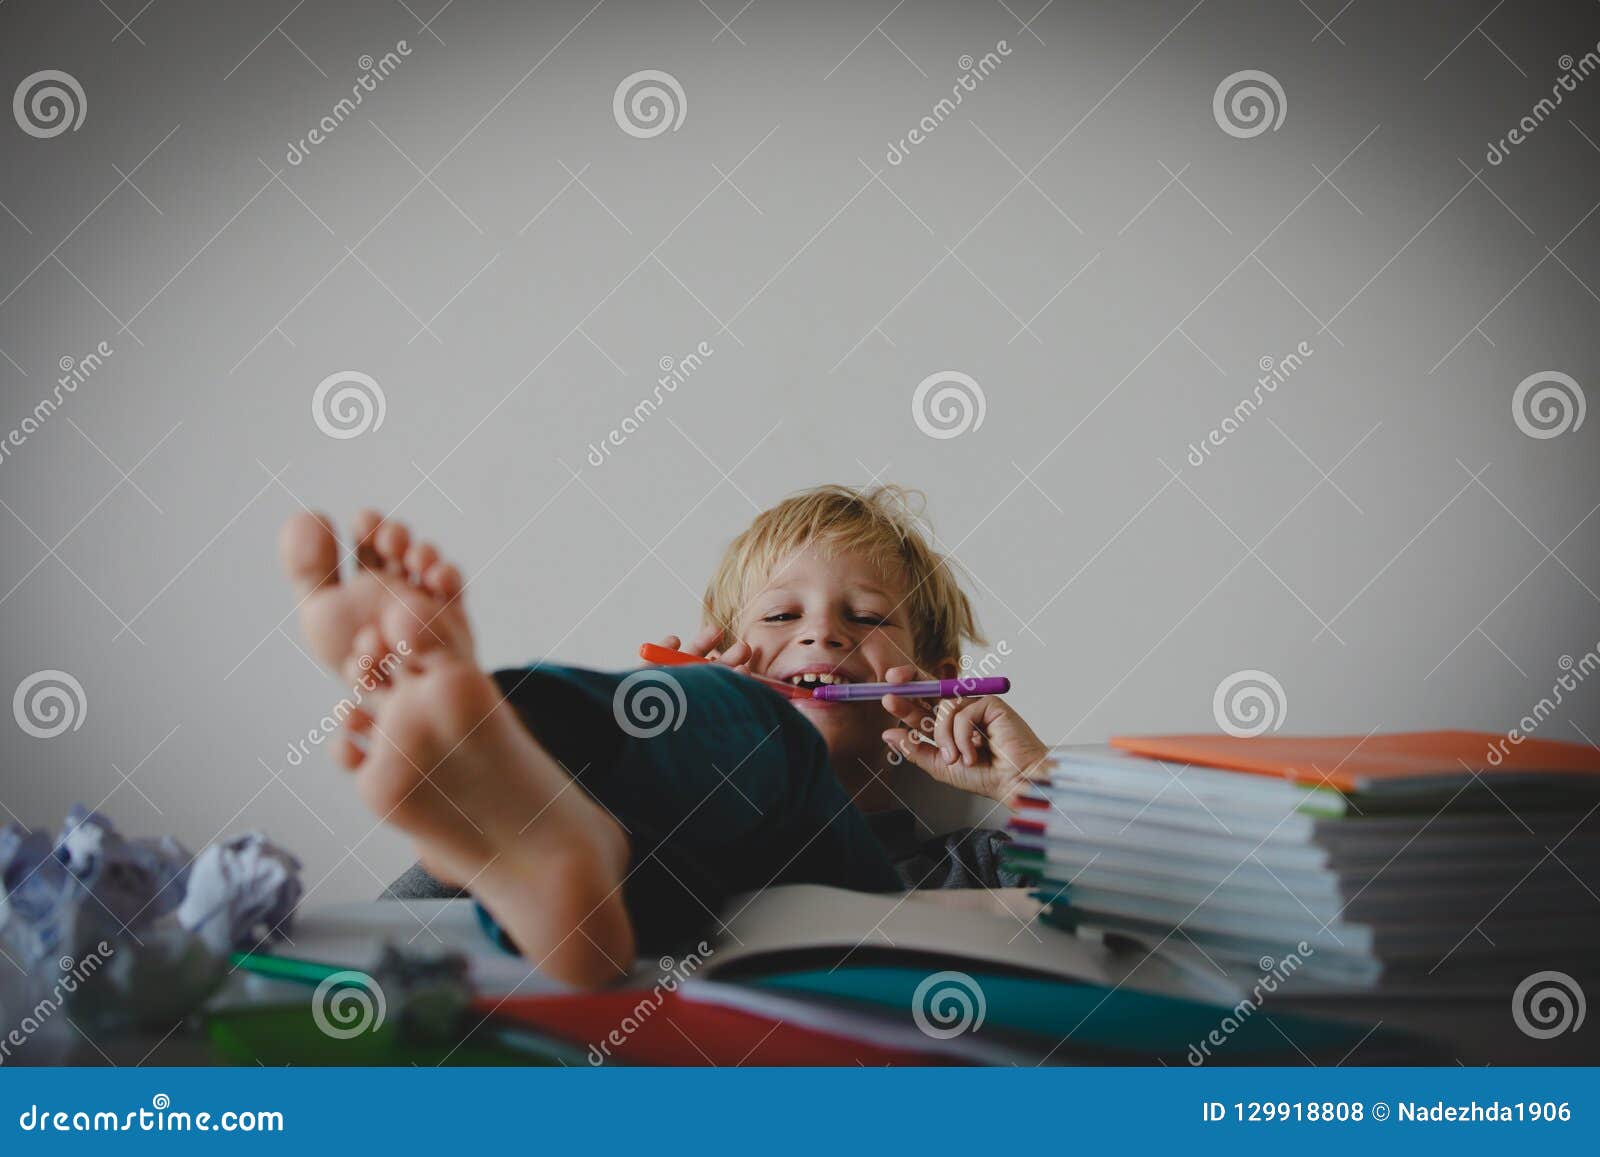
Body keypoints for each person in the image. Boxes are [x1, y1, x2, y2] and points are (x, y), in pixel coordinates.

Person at [278, 485, 1051, 987]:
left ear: (939, 680)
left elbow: (1138, 909)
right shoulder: (695, 736)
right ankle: (493, 741)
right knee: (660, 758)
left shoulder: (968, 860)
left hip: (842, 923)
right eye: (780, 617)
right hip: (642, 894)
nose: (819, 632)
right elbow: (407, 926)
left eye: (867, 616)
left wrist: (1033, 781)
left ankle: (497, 731)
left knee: (766, 740)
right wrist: (690, 710)